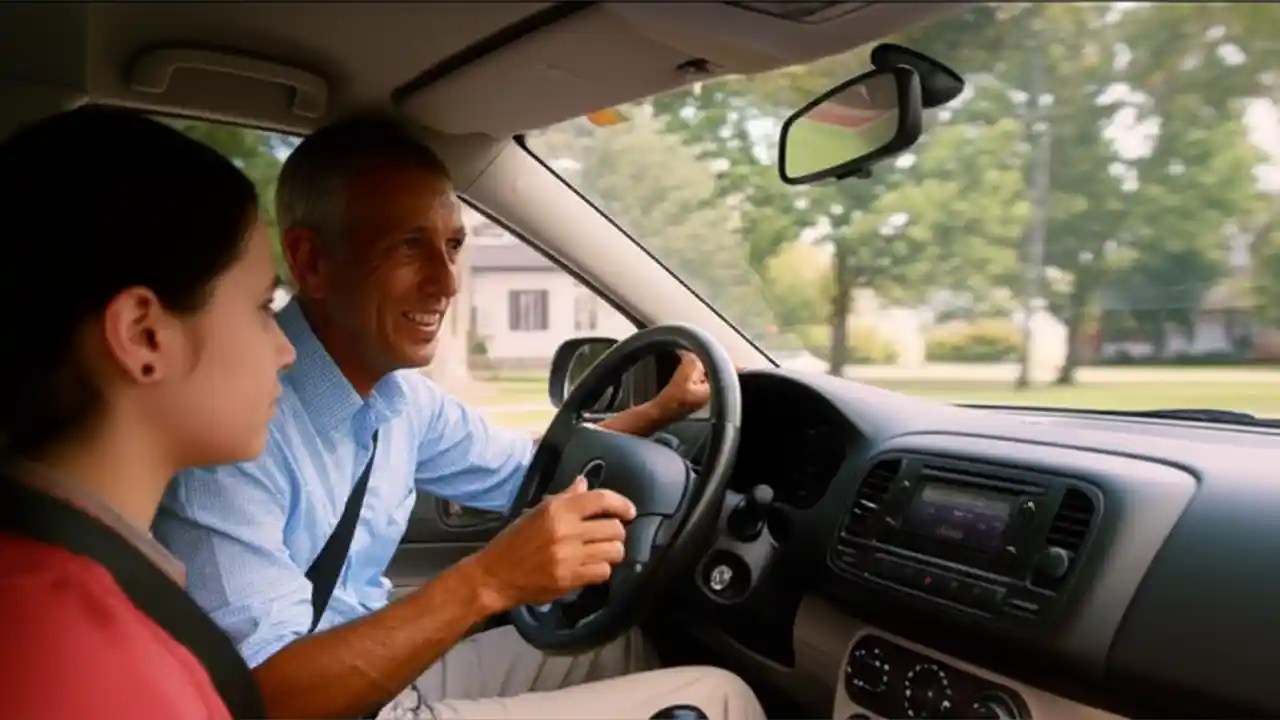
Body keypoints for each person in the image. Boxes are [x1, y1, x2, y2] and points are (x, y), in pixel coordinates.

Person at [154, 113, 766, 720]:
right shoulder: (233, 430)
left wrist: (662, 410)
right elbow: (266, 700)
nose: (446, 283)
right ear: (311, 263)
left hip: (381, 681)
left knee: (618, 646)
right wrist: (489, 581)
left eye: (451, 247)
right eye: (407, 246)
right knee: (719, 697)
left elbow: (541, 468)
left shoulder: (401, 400)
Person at [0, 107, 295, 718]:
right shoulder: (88, 664)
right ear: (144, 335)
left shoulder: (43, 578)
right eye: (264, 306)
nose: (286, 350)